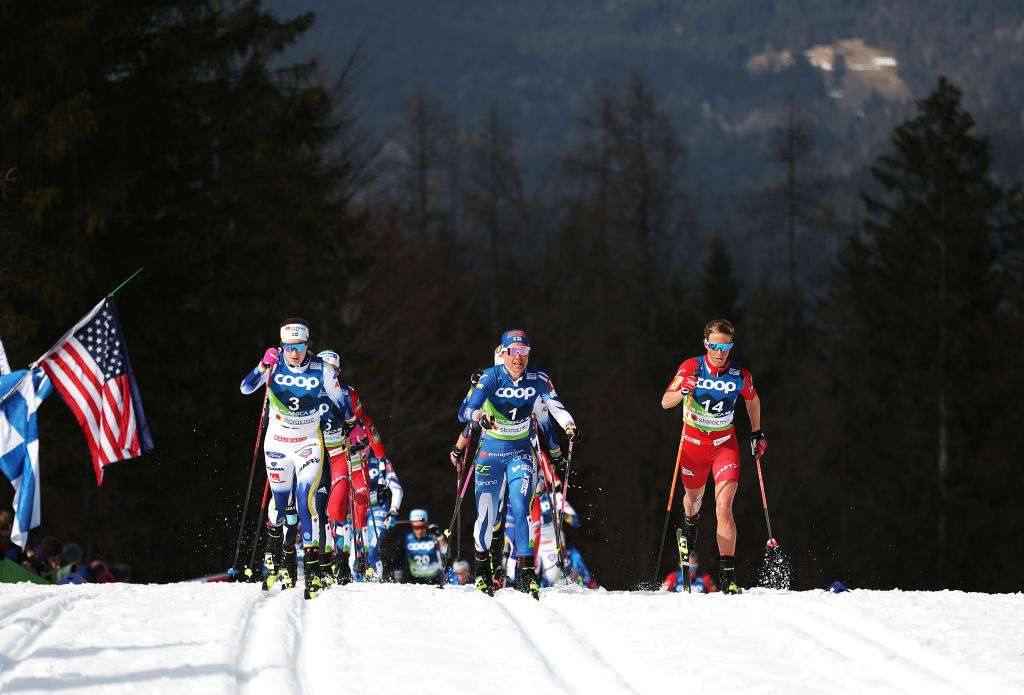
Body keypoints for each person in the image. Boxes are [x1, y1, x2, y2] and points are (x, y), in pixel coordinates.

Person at [240, 318, 357, 599]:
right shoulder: (274, 364)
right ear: (282, 346)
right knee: (282, 508)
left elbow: (339, 400)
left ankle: (313, 570)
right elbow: (246, 388)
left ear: (308, 344)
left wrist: (350, 421)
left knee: (307, 503)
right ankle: (275, 553)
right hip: (278, 444)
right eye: (289, 346)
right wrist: (261, 366)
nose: (294, 352)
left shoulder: (321, 368)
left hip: (308, 443)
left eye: (300, 346)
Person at [458, 329, 578, 599]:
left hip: (521, 452)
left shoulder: (538, 378)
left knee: (522, 508)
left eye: (524, 352)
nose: (518, 358)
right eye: (513, 352)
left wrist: (569, 426)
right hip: (490, 453)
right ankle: (483, 570)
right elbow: (464, 411)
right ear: (504, 354)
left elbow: (553, 408)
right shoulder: (490, 377)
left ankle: (527, 575)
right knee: (488, 514)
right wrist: (478, 418)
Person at [661, 318, 765, 595]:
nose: (720, 353)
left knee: (724, 507)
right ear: (706, 344)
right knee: (693, 502)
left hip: (724, 446)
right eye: (715, 346)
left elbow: (752, 400)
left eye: (725, 347)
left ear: (731, 346)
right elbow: (666, 401)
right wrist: (683, 390)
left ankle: (728, 576)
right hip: (693, 445)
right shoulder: (691, 367)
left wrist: (756, 433)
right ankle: (689, 527)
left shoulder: (739, 374)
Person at [396, 509, 444, 585]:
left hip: (433, 579)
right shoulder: (407, 538)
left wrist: (440, 537)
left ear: (426, 524)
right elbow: (398, 558)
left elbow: (446, 553)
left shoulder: (433, 536)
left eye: (422, 527)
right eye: (416, 527)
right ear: (412, 526)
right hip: (414, 579)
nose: (419, 531)